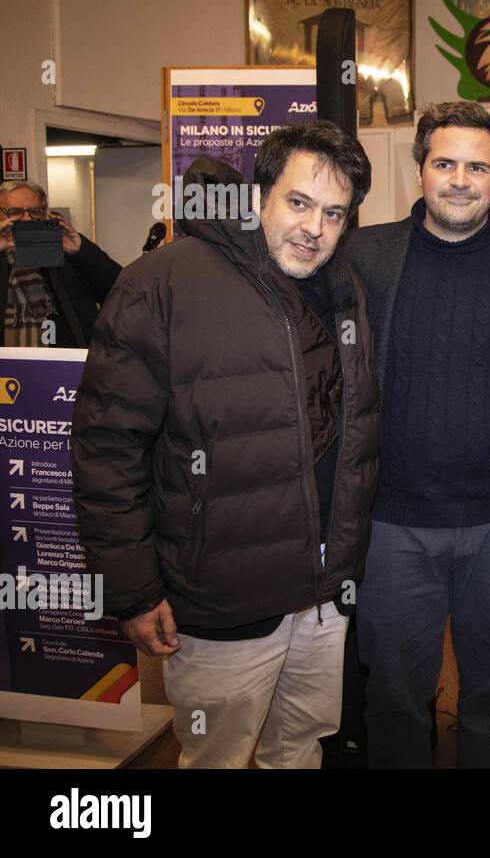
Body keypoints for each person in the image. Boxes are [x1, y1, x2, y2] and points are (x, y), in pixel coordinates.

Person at [71, 120, 379, 768]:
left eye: (333, 213)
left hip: (322, 595)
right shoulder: (164, 283)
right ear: (261, 192)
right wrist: (131, 590)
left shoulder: (341, 288)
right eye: (298, 203)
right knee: (216, 757)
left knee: (297, 750)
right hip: (221, 600)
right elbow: (108, 448)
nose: (313, 229)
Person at [342, 101, 490, 768]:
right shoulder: (362, 257)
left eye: (478, 166)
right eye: (445, 164)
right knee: (395, 700)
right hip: (392, 527)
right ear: (419, 171)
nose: (461, 179)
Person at [0, 179, 121, 347]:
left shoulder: (66, 255)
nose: (26, 219)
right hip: (7, 368)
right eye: (15, 212)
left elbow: (121, 292)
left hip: (67, 363)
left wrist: (80, 250)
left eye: (34, 212)